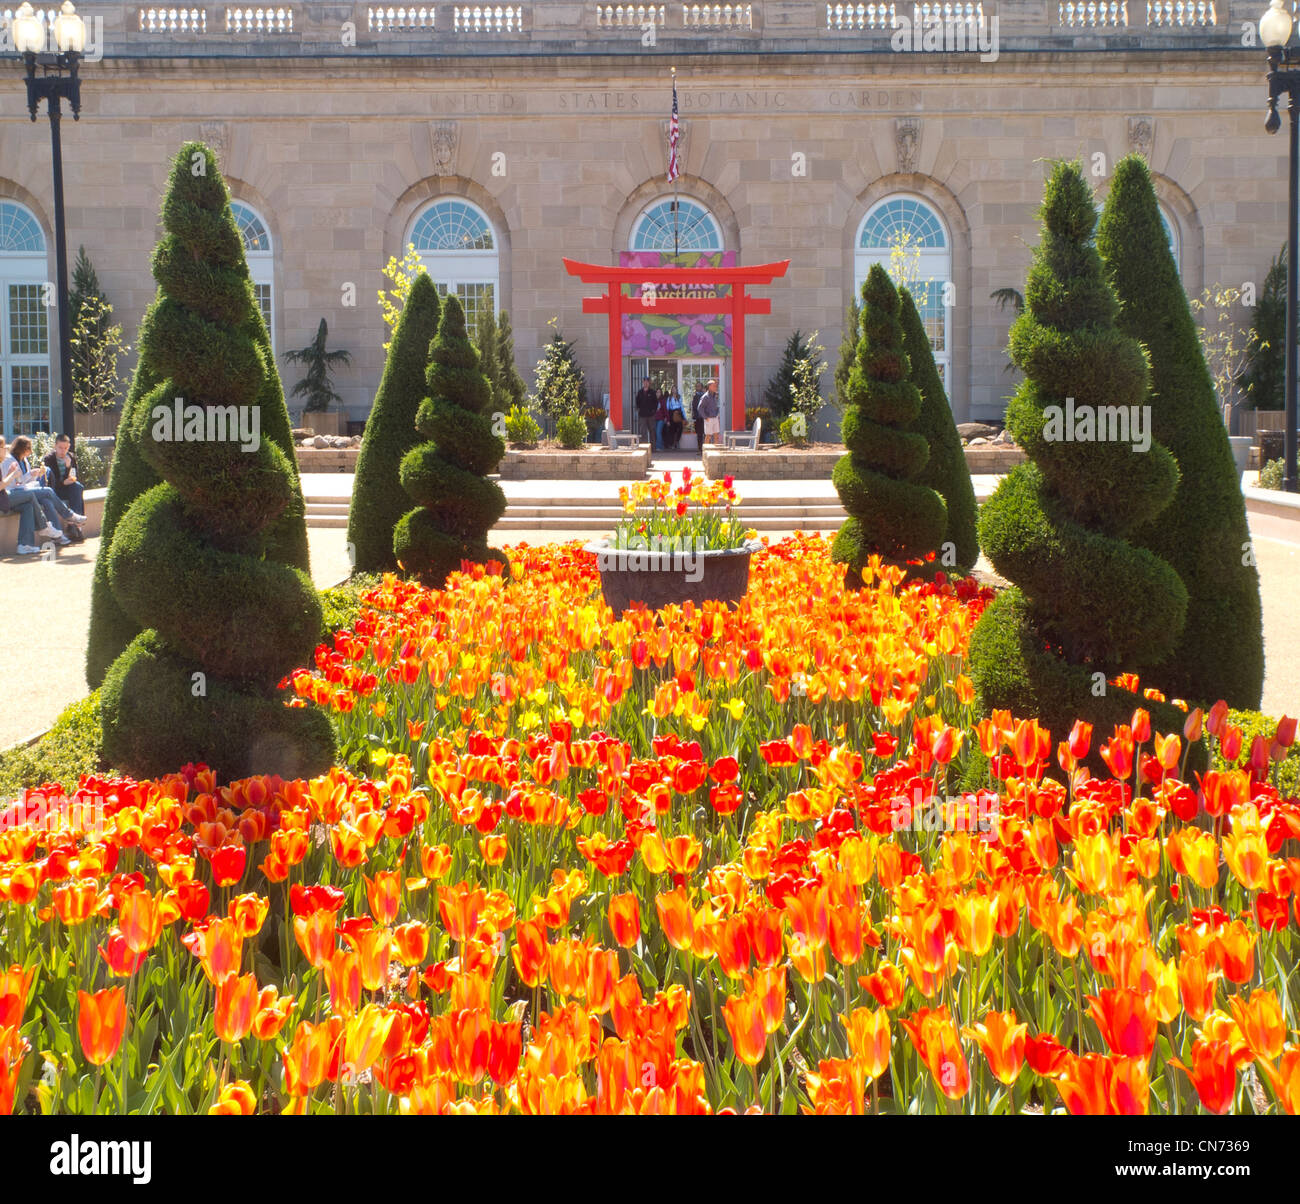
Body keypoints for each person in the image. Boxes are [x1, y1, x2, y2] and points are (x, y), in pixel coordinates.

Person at [1, 436, 83, 547]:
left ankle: (56, 536)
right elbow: (12, 484)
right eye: (28, 448)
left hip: (25, 490)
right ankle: (67, 516)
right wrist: (28, 474)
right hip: (14, 494)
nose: (31, 451)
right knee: (48, 491)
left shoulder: (24, 460)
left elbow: (25, 481)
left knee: (46, 501)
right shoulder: (9, 461)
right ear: (21, 448)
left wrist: (35, 475)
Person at [0, 436, 51, 555]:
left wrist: (10, 473)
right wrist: (12, 475)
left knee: (28, 505)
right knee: (30, 494)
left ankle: (24, 545)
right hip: (3, 498)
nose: (5, 449)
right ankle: (43, 526)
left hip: (4, 496)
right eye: (2, 447)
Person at [43, 433, 84, 543]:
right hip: (54, 491)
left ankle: (74, 526)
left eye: (65, 448)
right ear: (55, 446)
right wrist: (63, 482)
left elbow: (75, 476)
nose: (63, 451)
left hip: (68, 489)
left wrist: (68, 466)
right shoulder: (49, 459)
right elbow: (50, 482)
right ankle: (76, 526)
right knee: (77, 489)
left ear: (69, 446)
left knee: (78, 487)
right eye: (60, 448)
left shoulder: (71, 457)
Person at [634, 378, 659, 449]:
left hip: (651, 416)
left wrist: (653, 411)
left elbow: (656, 403)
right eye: (644, 382)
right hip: (642, 415)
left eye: (647, 382)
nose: (646, 383)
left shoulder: (652, 392)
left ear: (649, 383)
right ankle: (644, 448)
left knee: (652, 431)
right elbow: (637, 402)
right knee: (643, 432)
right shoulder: (640, 392)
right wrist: (639, 409)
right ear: (643, 383)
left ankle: (653, 448)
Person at [698, 379, 722, 447]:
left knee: (716, 435)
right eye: (714, 386)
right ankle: (705, 451)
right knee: (708, 436)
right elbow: (700, 408)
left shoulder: (715, 395)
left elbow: (716, 406)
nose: (715, 387)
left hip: (715, 418)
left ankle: (716, 451)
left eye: (715, 386)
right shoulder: (705, 397)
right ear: (709, 387)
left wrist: (717, 414)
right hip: (709, 419)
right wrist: (705, 417)